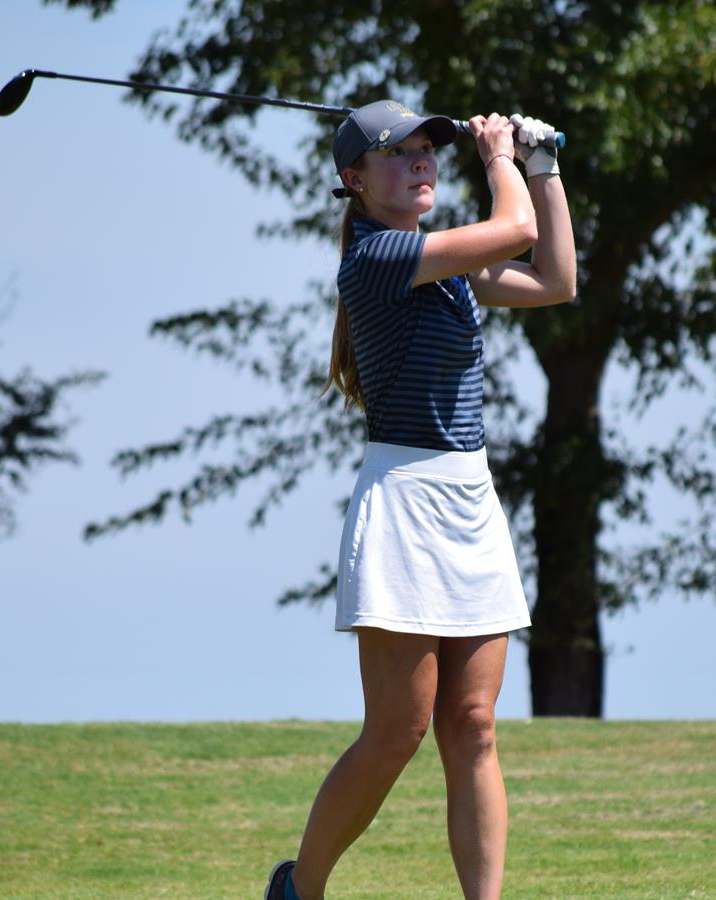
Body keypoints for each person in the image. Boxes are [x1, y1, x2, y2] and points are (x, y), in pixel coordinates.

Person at [265, 99, 575, 900]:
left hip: (469, 500)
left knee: (473, 727)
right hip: (403, 501)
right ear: (355, 181)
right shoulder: (375, 259)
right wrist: (501, 156)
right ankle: (300, 889)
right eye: (397, 155)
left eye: (428, 149)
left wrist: (543, 169)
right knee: (398, 731)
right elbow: (513, 234)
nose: (422, 161)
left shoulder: (440, 262)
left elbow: (554, 278)